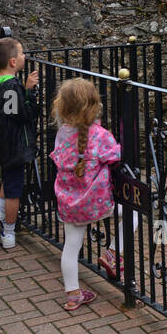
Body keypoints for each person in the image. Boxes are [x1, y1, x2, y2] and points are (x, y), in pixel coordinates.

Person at [49, 78, 122, 310]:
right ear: (94, 105)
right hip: (97, 203)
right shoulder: (100, 135)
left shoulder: (61, 134)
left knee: (71, 247)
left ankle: (73, 295)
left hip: (70, 204)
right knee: (132, 214)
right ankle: (112, 253)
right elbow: (115, 157)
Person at [0, 37, 39, 249]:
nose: (24, 57)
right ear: (13, 62)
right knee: (14, 190)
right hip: (15, 145)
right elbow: (20, 115)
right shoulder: (12, 87)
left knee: (9, 178)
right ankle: (9, 232)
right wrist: (29, 91)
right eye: (21, 54)